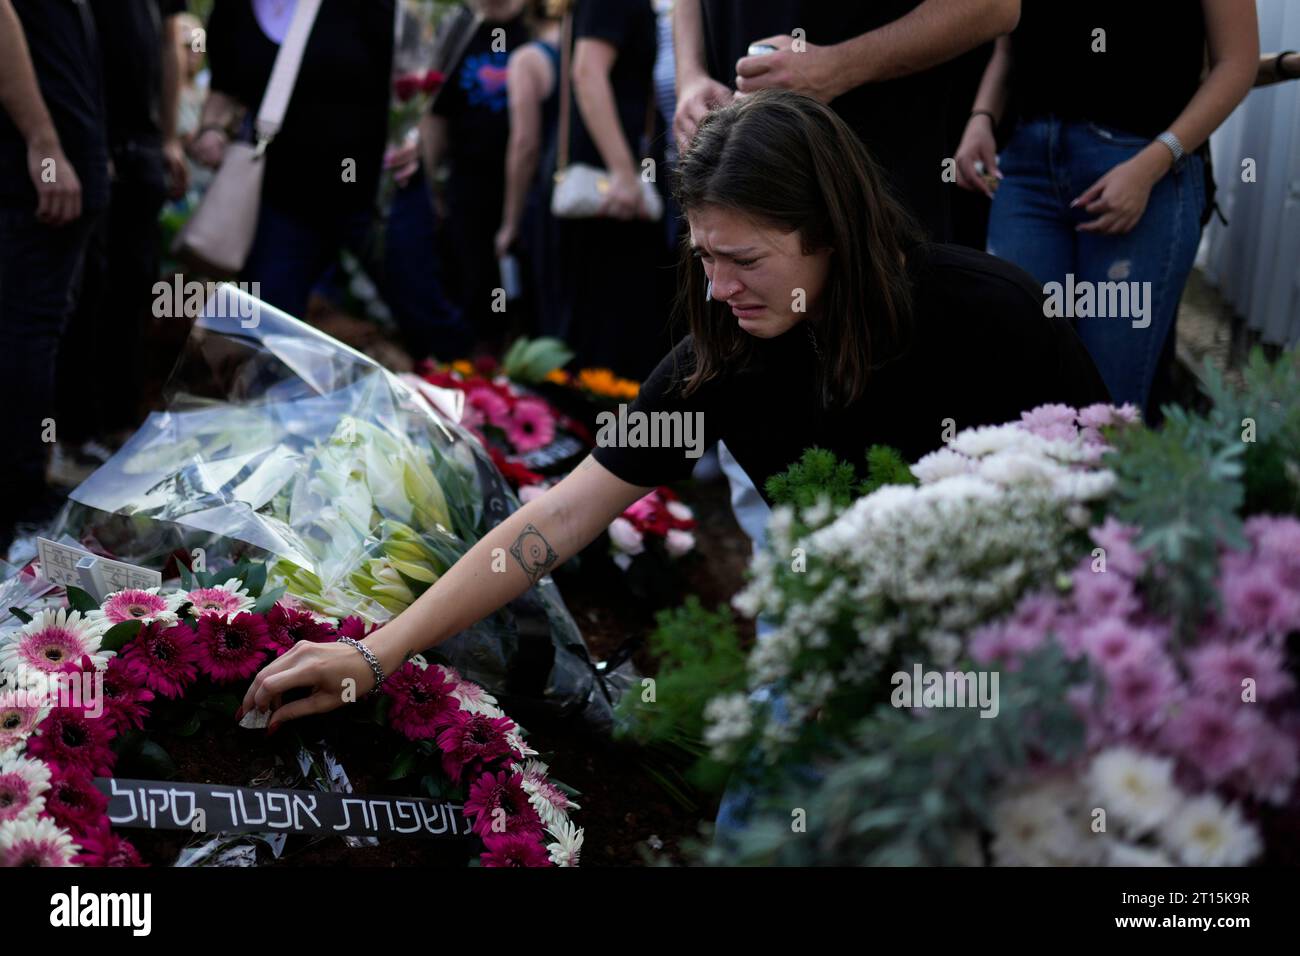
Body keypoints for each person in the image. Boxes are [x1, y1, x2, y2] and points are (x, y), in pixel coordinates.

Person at [239, 90, 1109, 730]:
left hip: (1015, 653)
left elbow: (1111, 495)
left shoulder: (988, 313)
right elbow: (561, 516)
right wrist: (379, 650)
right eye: (702, 257)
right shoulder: (718, 365)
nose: (719, 287)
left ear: (831, 230)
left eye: (745, 259)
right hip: (842, 640)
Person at [954, 0, 1258, 416]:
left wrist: (1153, 163)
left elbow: (1237, 63)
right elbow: (1008, 45)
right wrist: (982, 117)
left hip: (1141, 175)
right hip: (1026, 172)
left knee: (1107, 407)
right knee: (1023, 390)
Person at [672, 0, 1022, 242]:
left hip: (871, 193)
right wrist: (690, 75)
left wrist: (837, 68)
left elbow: (994, 8)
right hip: (730, 195)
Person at [53, 0, 190, 487]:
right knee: (84, 293)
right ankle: (72, 435)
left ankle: (122, 425)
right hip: (84, 144)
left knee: (135, 288)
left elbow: (171, 40)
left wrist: (169, 137)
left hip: (139, 149)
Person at [190, 0, 395, 319]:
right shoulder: (234, 9)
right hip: (279, 198)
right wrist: (211, 129)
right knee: (270, 327)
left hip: (362, 199)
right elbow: (224, 87)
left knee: (419, 313)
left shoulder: (365, 9)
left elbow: (401, 80)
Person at [0, 0, 110, 550]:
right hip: (33, 169)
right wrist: (46, 146)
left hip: (57, 161)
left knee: (37, 325)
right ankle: (20, 500)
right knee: (27, 327)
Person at [559, 0, 671, 379]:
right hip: (610, 193)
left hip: (616, 187)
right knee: (608, 335)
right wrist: (623, 173)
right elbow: (587, 73)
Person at [426, 0, 532, 356]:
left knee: (523, 291)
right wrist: (431, 184)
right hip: (468, 183)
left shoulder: (534, 23)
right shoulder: (458, 27)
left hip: (527, 186)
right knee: (473, 284)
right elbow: (434, 108)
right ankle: (476, 375)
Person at [495, 0, 566, 341]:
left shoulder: (528, 59)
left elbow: (525, 144)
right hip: (595, 195)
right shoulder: (586, 48)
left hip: (548, 205)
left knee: (546, 318)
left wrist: (510, 223)